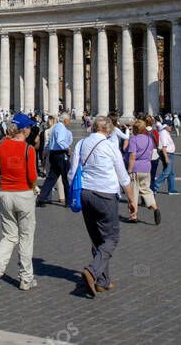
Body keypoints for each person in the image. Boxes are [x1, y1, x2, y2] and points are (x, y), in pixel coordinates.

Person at [69, 116, 136, 297]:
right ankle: (92, 271)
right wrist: (131, 200)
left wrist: (74, 194)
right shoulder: (110, 146)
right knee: (111, 238)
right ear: (108, 131)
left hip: (85, 193)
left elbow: (72, 173)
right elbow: (123, 176)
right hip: (106, 194)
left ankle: (102, 281)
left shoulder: (81, 144)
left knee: (97, 239)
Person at [0, 114, 39, 292]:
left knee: (9, 236)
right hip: (24, 195)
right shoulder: (28, 149)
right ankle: (26, 278)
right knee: (25, 237)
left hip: (5, 194)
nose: (31, 130)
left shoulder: (1, 144)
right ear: (24, 129)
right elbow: (32, 177)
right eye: (29, 127)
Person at [125, 120, 160, 225]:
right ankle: (155, 208)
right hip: (146, 168)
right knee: (146, 190)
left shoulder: (133, 140)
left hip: (136, 168)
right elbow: (150, 154)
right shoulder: (150, 140)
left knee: (133, 192)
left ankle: (133, 215)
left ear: (135, 129)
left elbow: (132, 156)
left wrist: (129, 170)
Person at [37, 113, 72, 207]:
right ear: (65, 120)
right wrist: (67, 147)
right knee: (66, 178)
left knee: (51, 178)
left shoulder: (56, 127)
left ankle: (41, 197)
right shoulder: (61, 128)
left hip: (53, 154)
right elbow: (60, 140)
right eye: (69, 119)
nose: (70, 121)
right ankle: (68, 201)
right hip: (61, 154)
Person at [152, 123, 179, 195]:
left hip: (170, 154)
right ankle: (154, 186)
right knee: (166, 172)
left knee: (171, 172)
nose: (171, 127)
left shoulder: (165, 132)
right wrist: (166, 157)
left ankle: (171, 189)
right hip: (167, 154)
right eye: (170, 126)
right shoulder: (164, 133)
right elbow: (164, 146)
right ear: (166, 126)